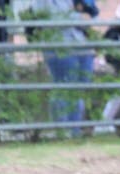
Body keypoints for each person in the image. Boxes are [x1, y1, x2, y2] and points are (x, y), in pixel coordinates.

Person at [31, 0, 98, 133]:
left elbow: (92, 15)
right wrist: (79, 18)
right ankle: (62, 129)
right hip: (59, 46)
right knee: (64, 86)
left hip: (83, 46)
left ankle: (75, 129)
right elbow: (53, 17)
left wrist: (83, 18)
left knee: (81, 88)